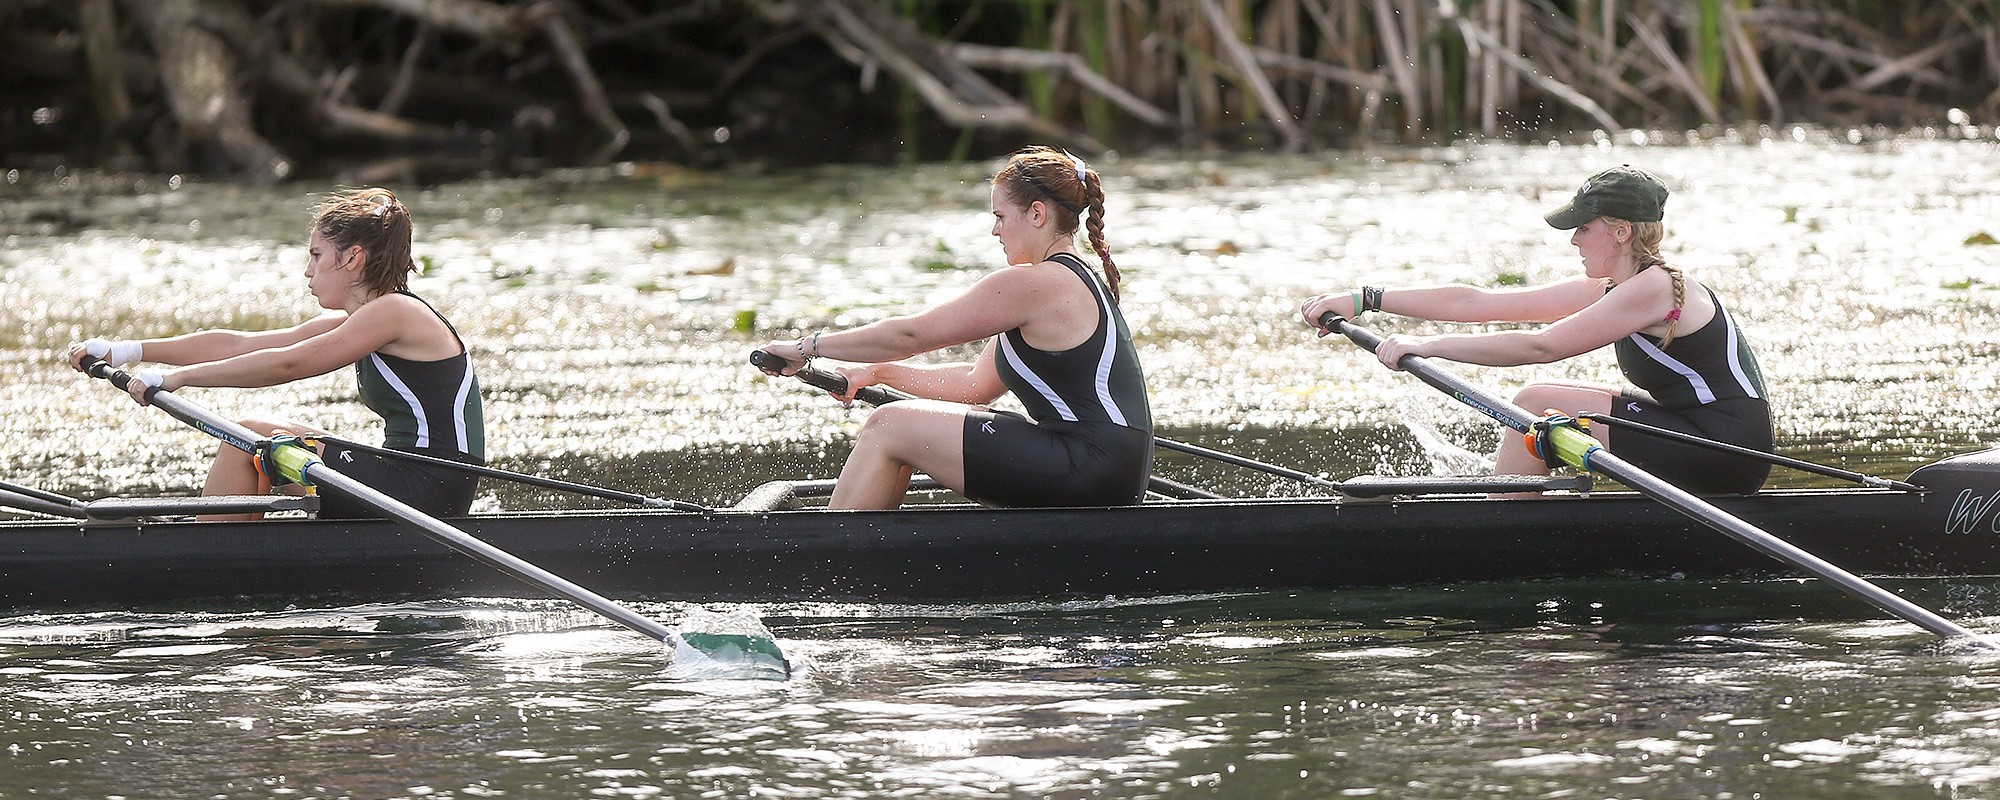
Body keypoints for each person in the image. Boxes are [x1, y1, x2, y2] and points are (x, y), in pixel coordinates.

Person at [1300, 165, 1773, 495]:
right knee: (1542, 402)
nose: (1574, 239)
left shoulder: (1653, 288)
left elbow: (1542, 345)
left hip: (1727, 451)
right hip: (1697, 434)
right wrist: (1365, 299)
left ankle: (1504, 526)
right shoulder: (1616, 286)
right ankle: (1513, 505)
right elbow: (1479, 302)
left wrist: (1428, 346)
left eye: (1583, 228)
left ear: (1621, 231)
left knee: (1536, 403)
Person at [756, 145, 1152, 510]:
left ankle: (830, 566)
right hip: (1111, 467)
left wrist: (807, 347)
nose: (995, 231)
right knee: (904, 419)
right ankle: (868, 559)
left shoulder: (1037, 283)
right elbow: (972, 386)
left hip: (1090, 465)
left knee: (889, 424)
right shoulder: (1073, 279)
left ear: (1036, 213)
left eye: (1000, 217)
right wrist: (876, 373)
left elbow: (909, 336)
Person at [67, 187, 485, 520]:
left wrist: (179, 378)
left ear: (353, 258)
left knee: (247, 437)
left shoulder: (396, 312)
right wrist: (127, 350)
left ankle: (211, 562)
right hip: (404, 478)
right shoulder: (367, 319)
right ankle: (235, 555)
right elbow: (242, 344)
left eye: (317, 255)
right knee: (253, 440)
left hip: (429, 488)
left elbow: (293, 363)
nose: (308, 270)